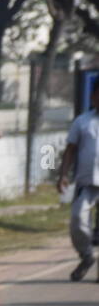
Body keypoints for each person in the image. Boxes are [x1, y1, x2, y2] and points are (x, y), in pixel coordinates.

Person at [57, 82, 99, 281]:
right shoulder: (82, 122)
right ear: (93, 98)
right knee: (77, 219)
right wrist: (63, 175)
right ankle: (87, 255)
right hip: (86, 182)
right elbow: (70, 150)